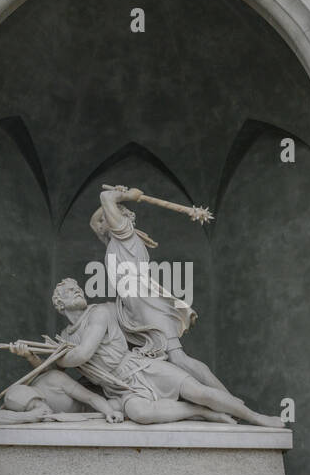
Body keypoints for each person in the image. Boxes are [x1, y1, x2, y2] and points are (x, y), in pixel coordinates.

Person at [51, 278, 280, 427]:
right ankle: (199, 413)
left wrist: (59, 356)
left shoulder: (98, 313)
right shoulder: (64, 337)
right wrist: (32, 357)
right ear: (60, 304)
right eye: (71, 292)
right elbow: (56, 369)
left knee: (201, 392)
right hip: (119, 388)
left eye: (78, 288)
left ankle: (255, 417)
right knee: (140, 414)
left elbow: (82, 355)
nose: (78, 291)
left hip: (140, 367)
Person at [90, 183, 227, 391]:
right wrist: (120, 196)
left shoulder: (124, 233)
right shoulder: (114, 240)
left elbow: (105, 197)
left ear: (121, 218)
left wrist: (125, 196)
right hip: (131, 309)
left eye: (106, 217)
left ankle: (225, 399)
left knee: (179, 358)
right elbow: (94, 222)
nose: (102, 221)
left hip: (148, 305)